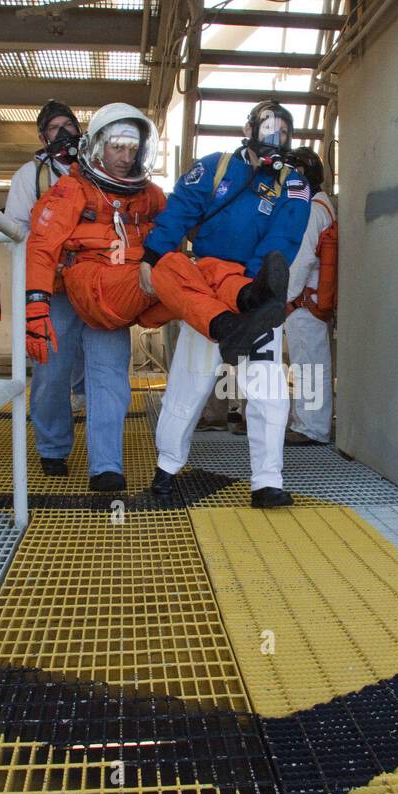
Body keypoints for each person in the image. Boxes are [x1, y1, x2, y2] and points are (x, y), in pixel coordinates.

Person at [26, 103, 290, 487]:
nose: (125, 156)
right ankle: (226, 325)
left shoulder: (148, 194)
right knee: (54, 375)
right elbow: (41, 247)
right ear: (97, 146)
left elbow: (171, 227)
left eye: (133, 148)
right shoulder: (72, 189)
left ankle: (248, 298)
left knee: (200, 270)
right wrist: (35, 307)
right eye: (117, 146)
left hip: (136, 288)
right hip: (93, 287)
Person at [142, 101, 311, 508]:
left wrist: (253, 290)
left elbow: (282, 240)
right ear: (249, 129)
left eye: (284, 132)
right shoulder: (215, 167)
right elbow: (180, 209)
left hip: (256, 296)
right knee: (191, 378)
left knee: (268, 388)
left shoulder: (294, 185)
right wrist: (153, 256)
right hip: (206, 290)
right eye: (268, 128)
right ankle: (166, 468)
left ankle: (267, 481)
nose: (276, 138)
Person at [5, 99, 91, 477]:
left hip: (97, 283)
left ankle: (105, 451)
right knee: (51, 367)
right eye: (55, 128)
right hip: (55, 287)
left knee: (102, 368)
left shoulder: (97, 167)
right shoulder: (30, 175)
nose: (64, 133)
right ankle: (52, 447)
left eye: (69, 125)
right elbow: (16, 229)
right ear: (42, 137)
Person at [282, 147, 337, 446]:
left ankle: (311, 428)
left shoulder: (311, 209)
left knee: (309, 365)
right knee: (310, 363)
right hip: (309, 300)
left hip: (304, 303)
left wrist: (285, 301)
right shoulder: (321, 205)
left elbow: (301, 259)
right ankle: (308, 424)